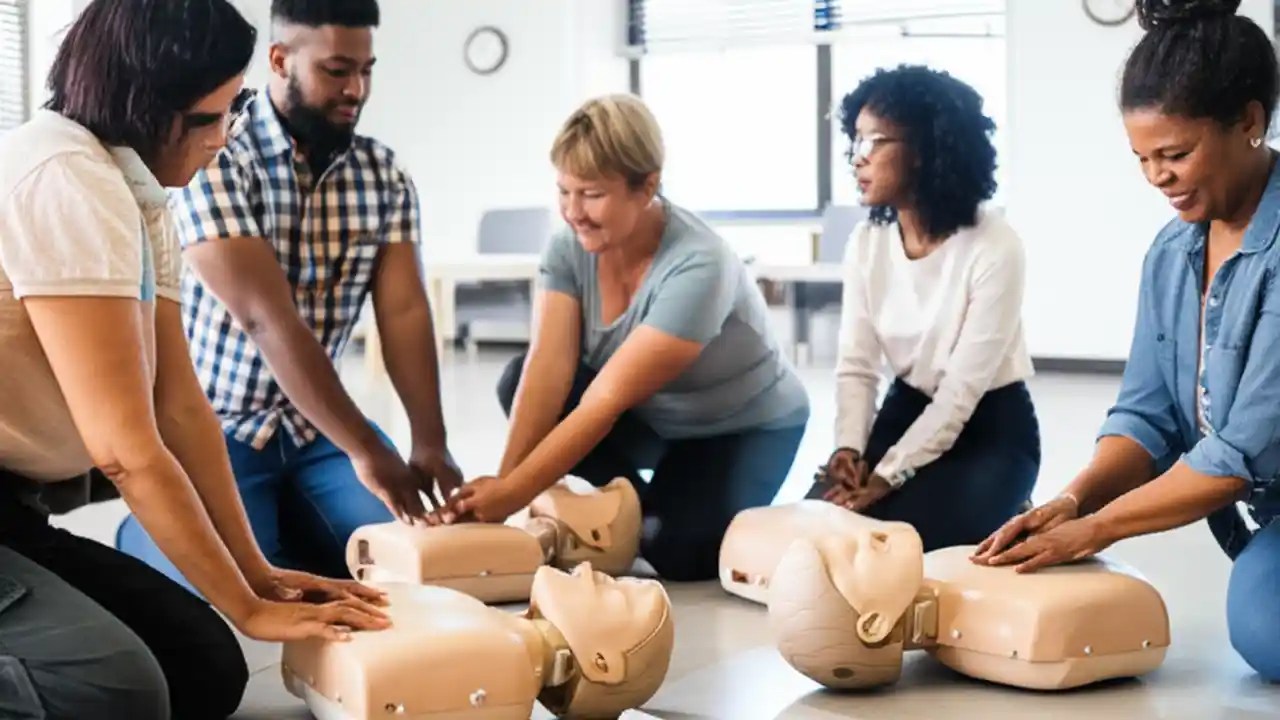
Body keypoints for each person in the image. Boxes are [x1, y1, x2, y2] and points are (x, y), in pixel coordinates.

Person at [0, 2, 389, 719]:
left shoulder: (139, 193)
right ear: (145, 108)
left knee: (202, 669)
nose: (224, 137)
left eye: (231, 111)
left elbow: (180, 404)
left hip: (15, 510)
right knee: (118, 693)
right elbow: (124, 449)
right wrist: (246, 606)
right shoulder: (63, 177)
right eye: (208, 120)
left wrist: (257, 578)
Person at [971, 0, 1280, 683]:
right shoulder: (1171, 253)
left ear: (1250, 123)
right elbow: (1149, 416)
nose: (1156, 178)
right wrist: (1074, 500)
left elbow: (1241, 452)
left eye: (1175, 154)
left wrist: (1099, 529)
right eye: (1142, 158)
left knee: (1268, 632)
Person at [116, 0, 460, 587]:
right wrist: (371, 453)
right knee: (234, 586)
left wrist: (430, 441)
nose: (356, 89)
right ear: (280, 60)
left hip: (317, 433)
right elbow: (264, 320)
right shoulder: (216, 156)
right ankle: (144, 532)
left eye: (366, 70)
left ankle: (294, 526)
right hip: (218, 427)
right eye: (336, 70)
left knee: (420, 562)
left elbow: (403, 311)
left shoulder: (386, 177)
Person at [442, 94, 810, 582]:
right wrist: (501, 490)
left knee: (675, 552)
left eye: (591, 194)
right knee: (516, 380)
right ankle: (643, 509)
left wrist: (511, 494)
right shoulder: (567, 246)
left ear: (647, 186)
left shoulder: (699, 262)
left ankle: (673, 515)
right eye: (564, 191)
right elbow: (547, 372)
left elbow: (606, 400)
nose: (574, 212)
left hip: (741, 427)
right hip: (655, 424)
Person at [806, 65, 1040, 552]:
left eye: (874, 142)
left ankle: (1010, 499)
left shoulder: (995, 245)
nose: (857, 159)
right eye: (855, 142)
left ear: (924, 151)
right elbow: (856, 367)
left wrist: (890, 474)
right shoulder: (867, 242)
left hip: (991, 425)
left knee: (903, 540)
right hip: (907, 409)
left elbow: (960, 392)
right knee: (827, 524)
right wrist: (848, 449)